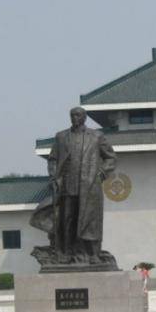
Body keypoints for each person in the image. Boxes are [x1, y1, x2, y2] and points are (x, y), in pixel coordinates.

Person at [42, 106, 117, 264]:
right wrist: (53, 177)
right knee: (67, 221)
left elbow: (111, 157)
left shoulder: (96, 136)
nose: (74, 118)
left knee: (90, 221)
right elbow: (53, 159)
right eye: (72, 115)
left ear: (84, 117)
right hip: (67, 187)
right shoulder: (61, 137)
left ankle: (92, 253)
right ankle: (66, 253)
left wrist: (102, 173)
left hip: (89, 186)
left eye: (77, 115)